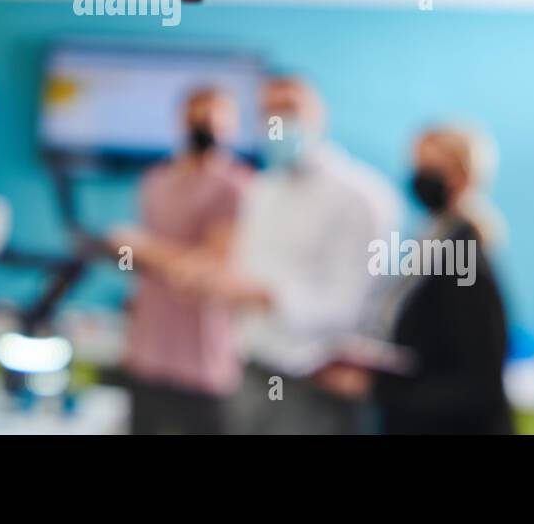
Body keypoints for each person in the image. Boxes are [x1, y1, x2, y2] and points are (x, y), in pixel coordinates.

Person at [171, 76, 401, 434]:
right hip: (251, 372)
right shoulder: (262, 190)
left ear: (318, 115)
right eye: (268, 111)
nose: (278, 121)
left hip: (317, 382)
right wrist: (211, 279)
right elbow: (245, 266)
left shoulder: (361, 197)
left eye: (290, 109)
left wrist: (264, 294)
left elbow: (358, 302)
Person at [316, 125, 514, 434]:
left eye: (434, 168)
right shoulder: (431, 240)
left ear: (464, 177)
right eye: (418, 165)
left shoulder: (464, 256)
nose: (421, 177)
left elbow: (478, 384)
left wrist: (377, 389)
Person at [116, 87, 251, 434]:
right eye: (198, 116)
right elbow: (139, 264)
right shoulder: (156, 181)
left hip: (204, 361)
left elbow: (210, 265)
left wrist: (143, 247)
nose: (206, 126)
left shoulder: (238, 186)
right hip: (147, 352)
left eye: (216, 118)